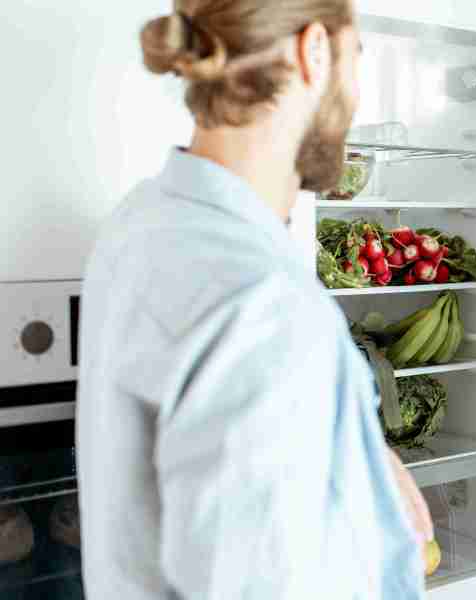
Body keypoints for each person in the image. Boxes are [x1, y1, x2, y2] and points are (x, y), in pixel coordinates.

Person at [76, 2, 432, 598]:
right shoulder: (263, 303)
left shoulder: (143, 221)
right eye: (355, 57)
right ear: (312, 51)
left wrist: (350, 461)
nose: (356, 95)